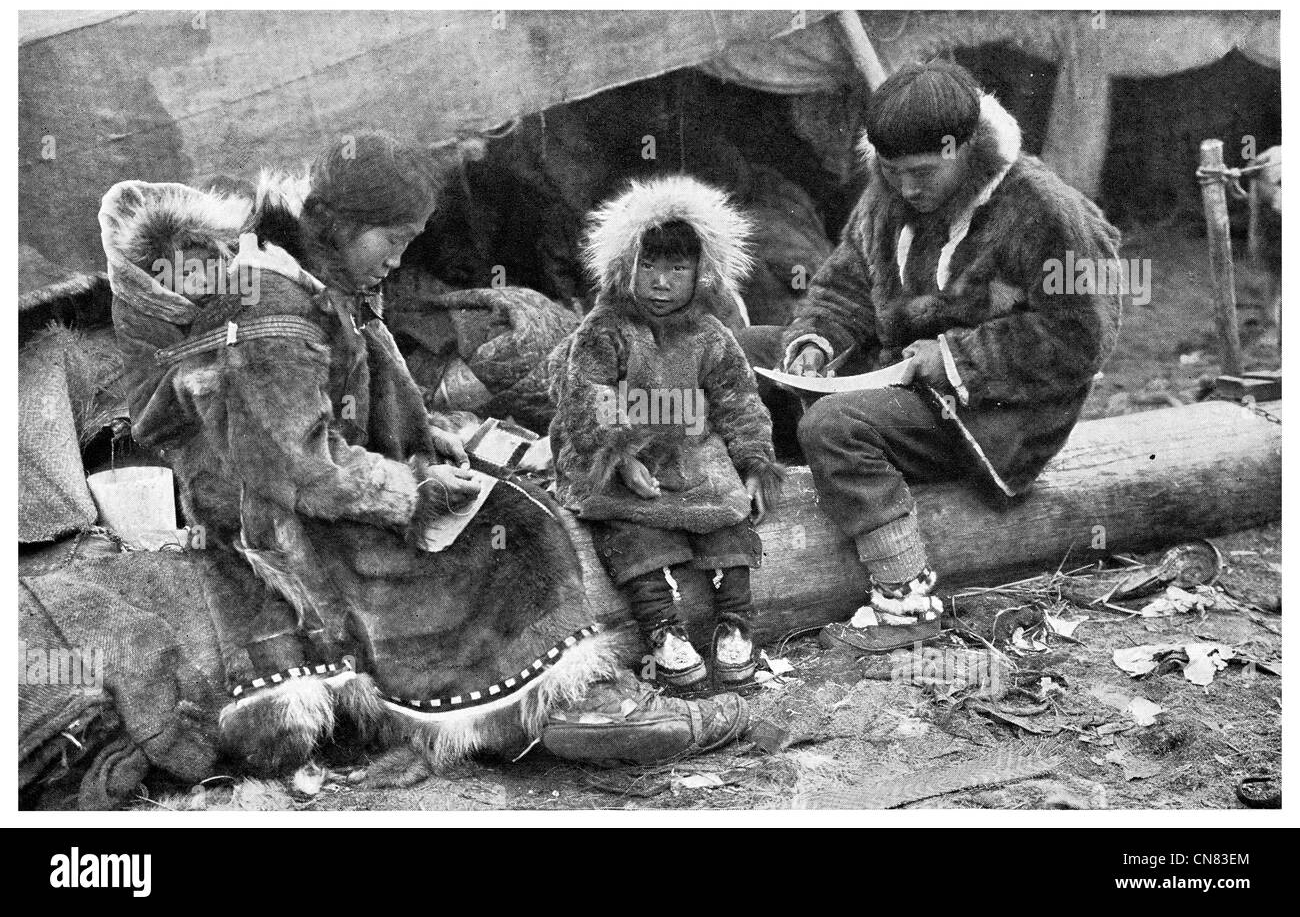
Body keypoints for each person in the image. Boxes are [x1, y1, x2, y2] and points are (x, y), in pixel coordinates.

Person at [101, 134, 749, 777]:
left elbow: (363, 398)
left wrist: (434, 437)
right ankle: (566, 705)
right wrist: (410, 490)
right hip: (288, 521)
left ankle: (547, 702)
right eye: (393, 240)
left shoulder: (320, 279)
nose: (399, 258)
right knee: (513, 529)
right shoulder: (273, 308)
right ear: (347, 223)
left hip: (321, 488)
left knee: (507, 499)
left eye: (410, 241)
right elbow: (298, 465)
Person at [780, 62, 1122, 651]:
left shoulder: (1040, 207)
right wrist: (817, 343)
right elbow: (847, 287)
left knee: (834, 425)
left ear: (963, 146)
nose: (908, 189)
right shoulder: (888, 197)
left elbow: (1081, 338)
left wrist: (956, 358)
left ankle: (907, 598)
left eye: (922, 172)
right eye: (892, 171)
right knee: (758, 347)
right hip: (909, 379)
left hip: (996, 415)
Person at [550, 175, 784, 687]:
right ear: (623, 266)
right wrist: (619, 456)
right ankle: (662, 628)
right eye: (648, 265)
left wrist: (753, 464)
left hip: (692, 455)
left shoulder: (709, 334)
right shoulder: (604, 329)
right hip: (623, 458)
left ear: (702, 271)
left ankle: (736, 625)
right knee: (632, 530)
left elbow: (738, 399)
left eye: (678, 267)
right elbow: (587, 394)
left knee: (727, 518)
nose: (661, 282)